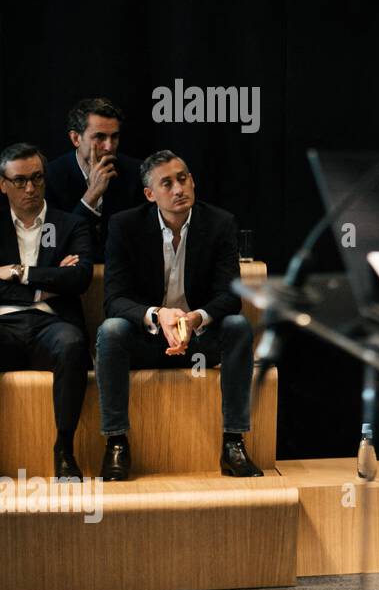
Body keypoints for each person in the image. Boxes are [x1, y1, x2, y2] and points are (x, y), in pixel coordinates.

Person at [95, 150, 259, 481]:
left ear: (193, 181)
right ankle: (116, 443)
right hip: (149, 340)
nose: (178, 189)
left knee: (238, 326)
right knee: (111, 331)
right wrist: (158, 316)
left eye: (183, 178)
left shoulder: (220, 223)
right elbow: (114, 299)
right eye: (166, 183)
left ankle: (234, 443)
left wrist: (195, 319)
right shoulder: (125, 225)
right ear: (150, 194)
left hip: (199, 340)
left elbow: (230, 297)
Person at [0, 143, 94, 479]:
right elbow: (64, 278)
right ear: (3, 184)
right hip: (4, 324)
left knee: (72, 344)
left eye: (37, 179)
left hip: (51, 324)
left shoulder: (70, 225)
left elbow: (80, 278)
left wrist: (18, 272)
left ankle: (65, 450)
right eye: (20, 180)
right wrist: (50, 280)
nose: (30, 188)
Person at [44, 97, 144, 263]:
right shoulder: (51, 176)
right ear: (76, 138)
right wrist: (91, 196)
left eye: (114, 137)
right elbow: (54, 243)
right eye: (100, 137)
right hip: (71, 276)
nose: (109, 146)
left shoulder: (136, 172)